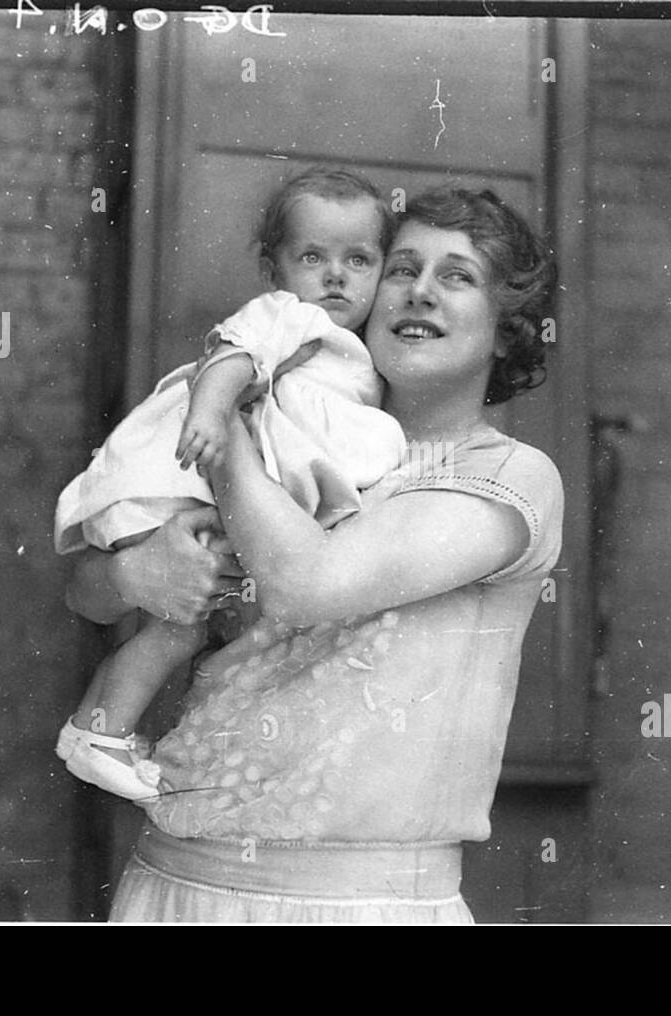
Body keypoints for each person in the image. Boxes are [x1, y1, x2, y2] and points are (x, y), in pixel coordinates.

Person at [66, 187, 563, 923]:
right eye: (401, 268)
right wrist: (133, 572)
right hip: (172, 885)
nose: (419, 291)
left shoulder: (508, 477)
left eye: (456, 276)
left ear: (504, 328)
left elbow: (305, 584)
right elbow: (85, 590)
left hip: (359, 905)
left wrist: (226, 407)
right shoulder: (298, 440)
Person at [52, 168, 407, 800]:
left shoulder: (355, 350)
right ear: (274, 273)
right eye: (311, 257)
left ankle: (99, 727)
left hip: (243, 497)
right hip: (195, 477)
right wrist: (211, 413)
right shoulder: (290, 316)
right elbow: (234, 353)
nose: (336, 276)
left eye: (359, 259)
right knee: (181, 622)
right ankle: (97, 730)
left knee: (183, 624)